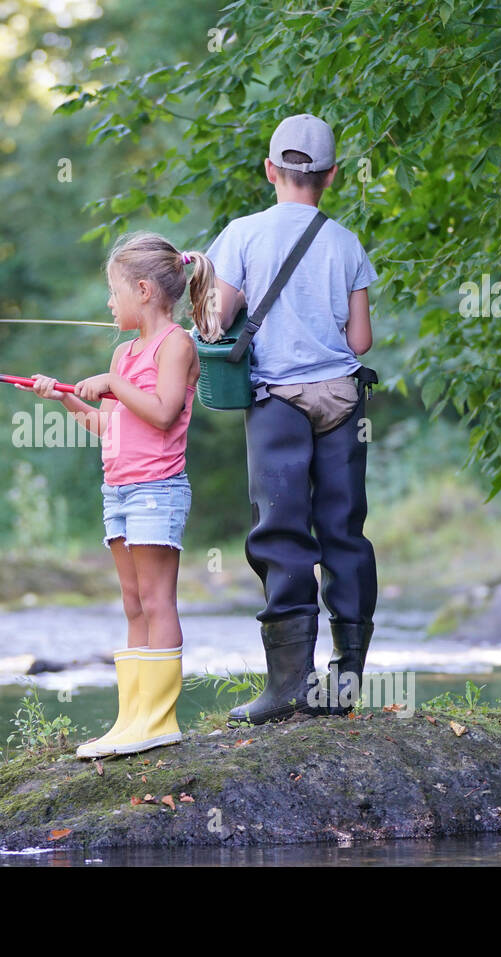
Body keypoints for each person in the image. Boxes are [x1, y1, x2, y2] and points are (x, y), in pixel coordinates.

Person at [204, 113, 379, 723]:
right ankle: (346, 684)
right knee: (344, 530)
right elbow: (360, 341)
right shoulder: (346, 241)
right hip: (342, 397)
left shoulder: (243, 233)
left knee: (281, 531)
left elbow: (214, 322)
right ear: (330, 176)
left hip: (278, 397)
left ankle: (287, 686)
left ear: (270, 170)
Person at [19, 232, 220, 756]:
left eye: (114, 291)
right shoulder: (124, 354)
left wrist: (110, 382)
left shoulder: (175, 345)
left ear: (145, 290)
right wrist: (64, 395)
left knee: (157, 600)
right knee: (132, 604)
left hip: (157, 490)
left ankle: (159, 721)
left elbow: (162, 411)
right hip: (120, 491)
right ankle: (130, 719)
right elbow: (109, 426)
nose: (109, 302)